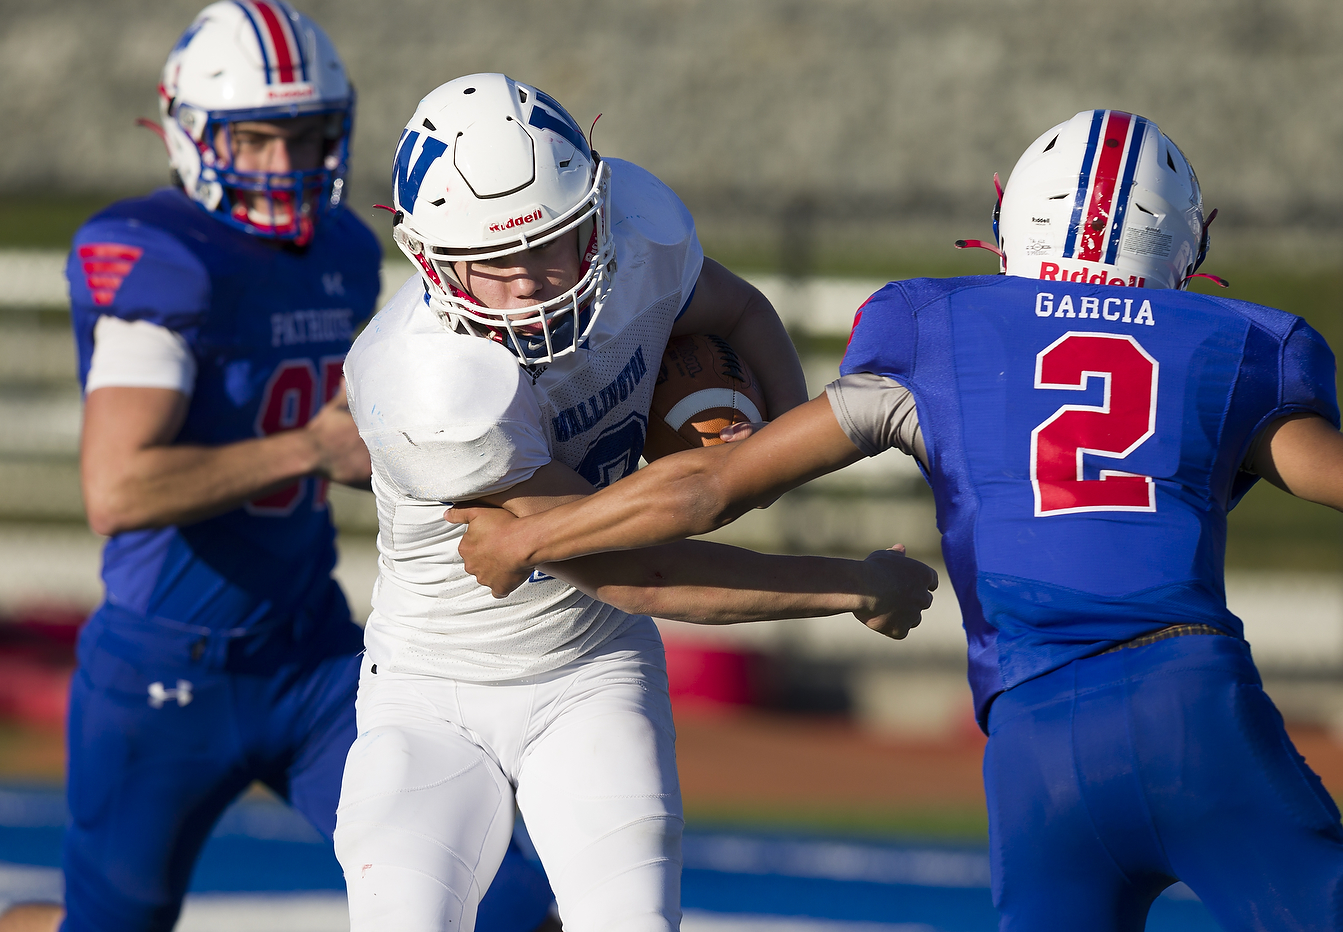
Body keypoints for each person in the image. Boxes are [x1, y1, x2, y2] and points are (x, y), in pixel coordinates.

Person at [450, 109, 1343, 930]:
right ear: (1190, 241)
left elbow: (715, 486)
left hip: (1035, 750)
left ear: (1005, 222)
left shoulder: (936, 329)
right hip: (1188, 707)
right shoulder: (1233, 348)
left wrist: (528, 536)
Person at [334, 72, 937, 932]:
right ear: (431, 261)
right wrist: (850, 584)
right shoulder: (424, 380)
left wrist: (768, 425)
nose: (536, 283)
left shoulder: (639, 236)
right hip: (435, 688)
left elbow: (741, 311)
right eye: (498, 265)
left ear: (595, 210)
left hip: (591, 672)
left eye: (556, 241)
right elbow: (642, 571)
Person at [0, 6, 555, 932]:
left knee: (503, 907)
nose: (281, 165)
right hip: (163, 675)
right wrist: (308, 448)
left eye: (302, 137)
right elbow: (116, 490)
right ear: (188, 132)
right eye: (252, 138)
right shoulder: (159, 253)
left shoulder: (339, 248)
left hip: (312, 657)